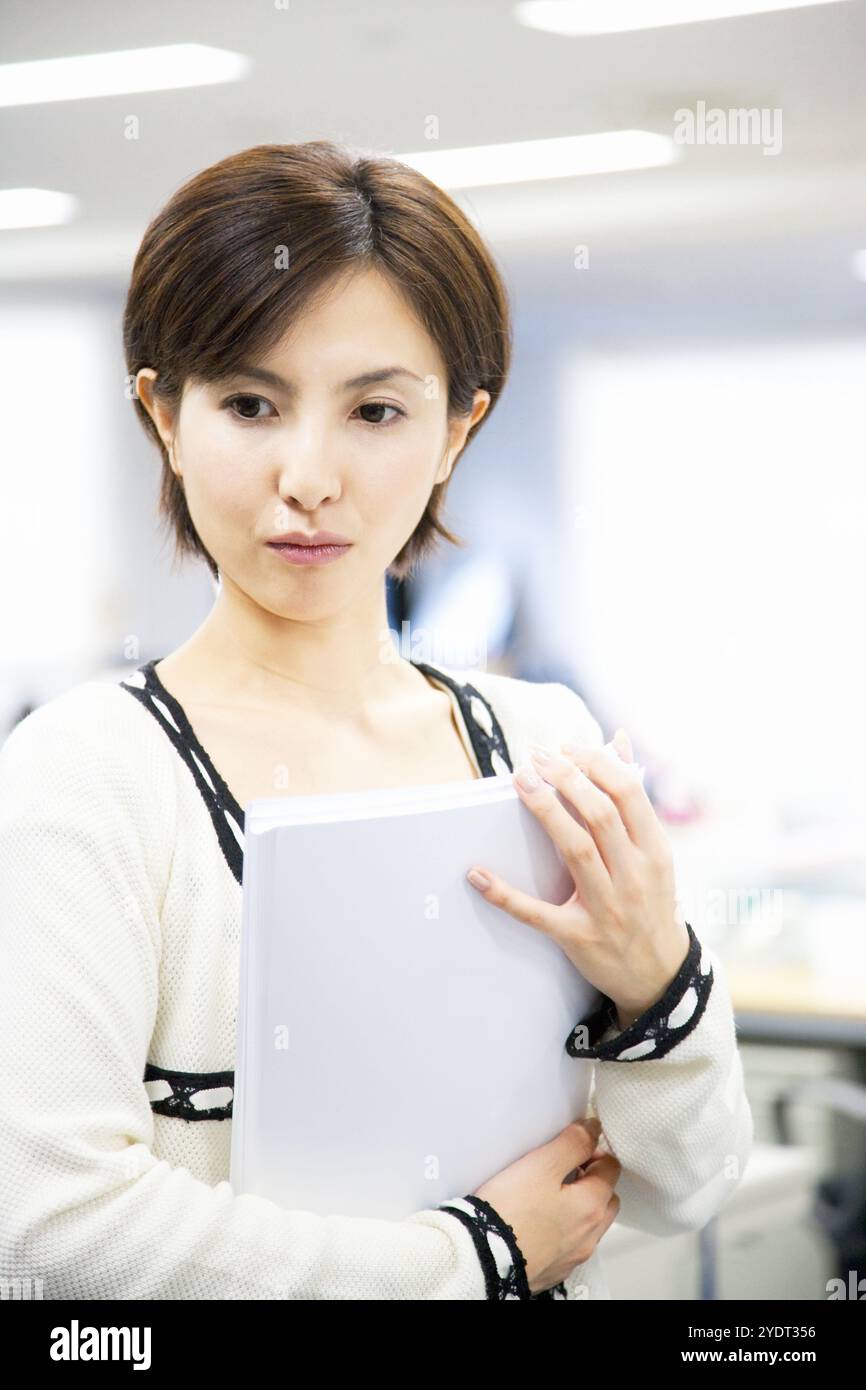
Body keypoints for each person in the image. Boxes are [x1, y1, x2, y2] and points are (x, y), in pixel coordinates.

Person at [0, 141, 752, 1300]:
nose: (308, 474)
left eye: (376, 410)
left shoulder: (543, 745)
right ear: (163, 414)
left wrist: (655, 980)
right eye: (250, 403)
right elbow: (55, 1229)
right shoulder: (86, 773)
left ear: (457, 427)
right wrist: (472, 1260)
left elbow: (678, 1187)